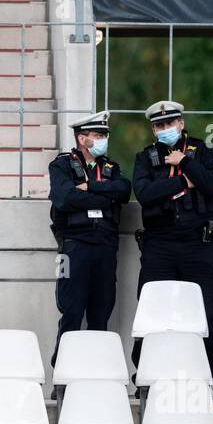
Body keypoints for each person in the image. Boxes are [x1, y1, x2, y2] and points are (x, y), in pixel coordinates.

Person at [131, 100, 213, 378]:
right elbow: (144, 193)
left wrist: (184, 162)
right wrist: (184, 181)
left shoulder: (204, 151)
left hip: (199, 244)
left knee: (210, 310)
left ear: (181, 124)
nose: (165, 129)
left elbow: (212, 185)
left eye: (170, 123)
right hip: (159, 245)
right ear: (153, 130)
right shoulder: (145, 157)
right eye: (159, 125)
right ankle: (147, 375)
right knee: (153, 312)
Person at [48, 111, 133, 368]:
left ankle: (95, 372)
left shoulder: (111, 168)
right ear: (82, 138)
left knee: (101, 313)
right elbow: (65, 198)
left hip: (105, 247)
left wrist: (91, 188)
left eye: (104, 135)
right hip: (73, 246)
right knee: (71, 311)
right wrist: (104, 199)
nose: (102, 140)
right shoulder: (61, 165)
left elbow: (123, 191)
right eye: (97, 135)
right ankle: (63, 374)